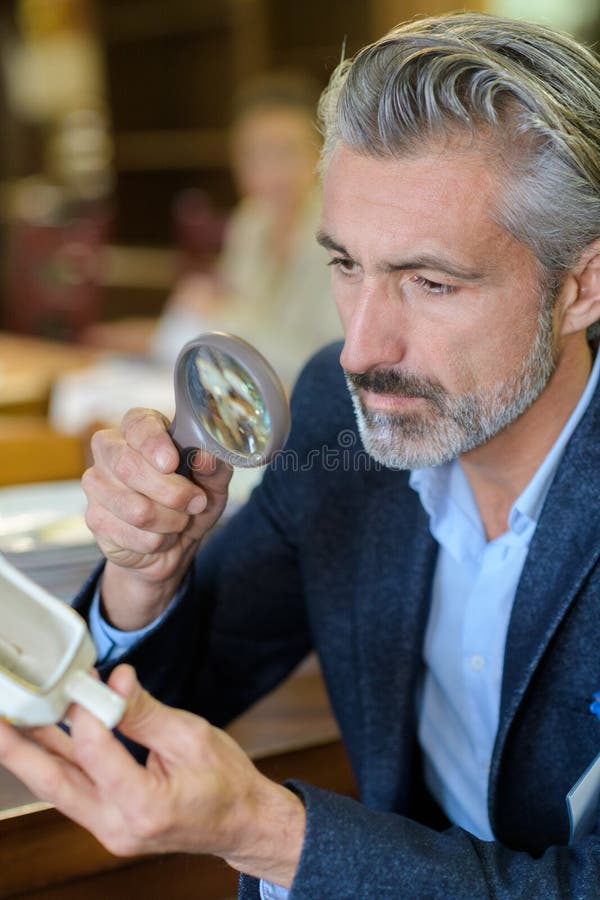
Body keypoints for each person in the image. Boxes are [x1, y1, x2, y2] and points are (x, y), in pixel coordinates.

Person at [2, 11, 600, 898]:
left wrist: (271, 833)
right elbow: (173, 698)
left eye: (430, 283)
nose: (361, 349)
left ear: (581, 285)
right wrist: (146, 575)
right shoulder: (336, 412)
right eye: (346, 265)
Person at [86, 71, 341, 388]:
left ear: (321, 153)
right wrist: (156, 333)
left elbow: (327, 360)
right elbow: (231, 312)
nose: (270, 171)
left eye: (285, 152)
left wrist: (223, 315)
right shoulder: (251, 220)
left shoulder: (340, 235)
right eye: (254, 154)